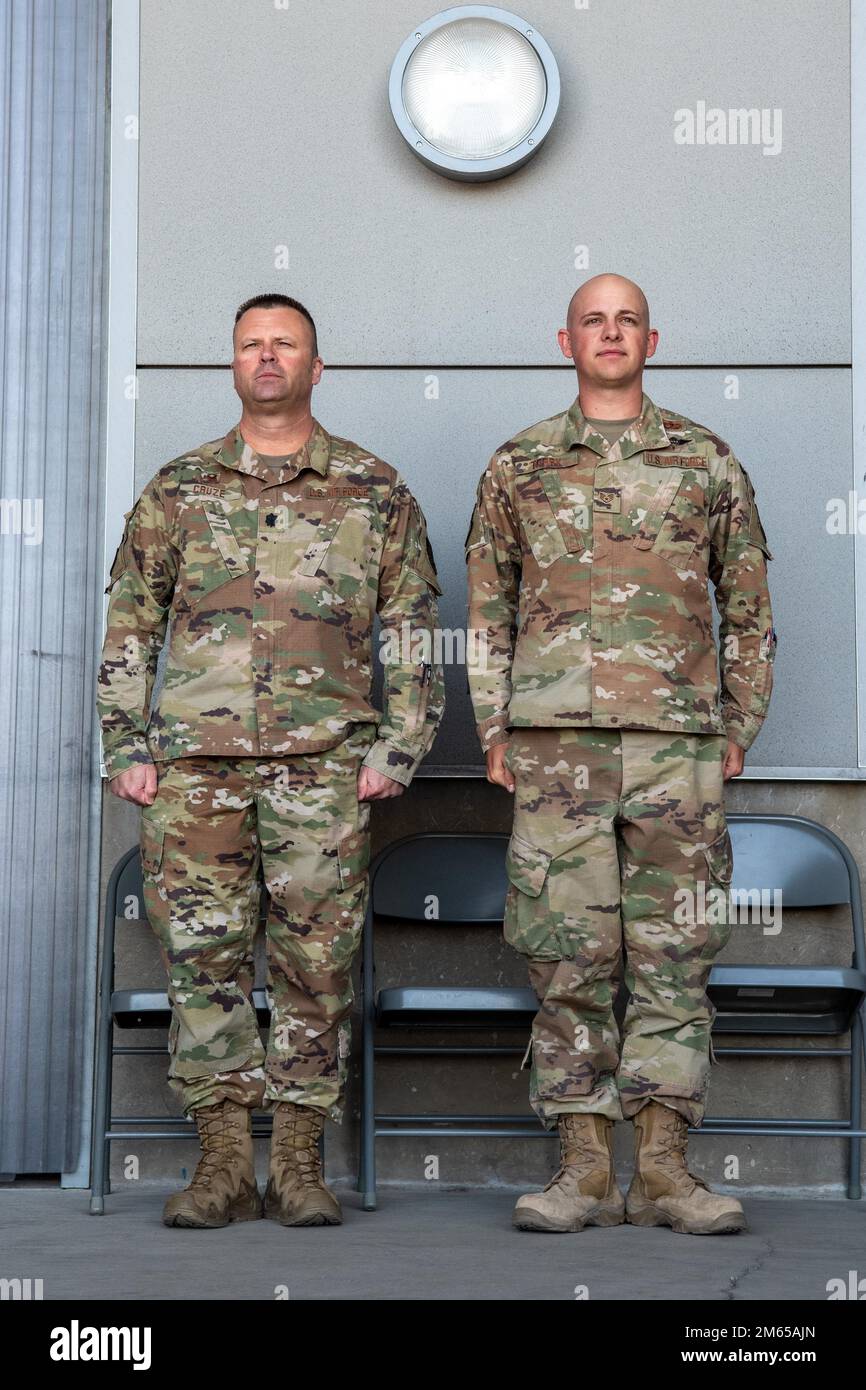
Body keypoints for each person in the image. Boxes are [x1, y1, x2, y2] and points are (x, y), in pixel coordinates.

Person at [98, 292, 444, 1228]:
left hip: (324, 768)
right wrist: (127, 745)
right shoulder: (180, 489)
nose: (266, 357)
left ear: (315, 367)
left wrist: (398, 748)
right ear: (232, 364)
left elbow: (413, 627)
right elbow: (131, 614)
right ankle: (219, 1165)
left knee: (315, 963)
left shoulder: (373, 491)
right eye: (251, 343)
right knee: (202, 959)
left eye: (284, 344)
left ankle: (296, 1163)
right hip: (193, 770)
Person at [465, 273, 776, 1235]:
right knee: (568, 957)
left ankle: (669, 1171)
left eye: (627, 320)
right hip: (556, 752)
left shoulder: (705, 461)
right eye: (593, 321)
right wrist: (492, 728)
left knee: (675, 955)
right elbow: (485, 611)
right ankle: (584, 1170)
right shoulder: (520, 465)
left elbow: (750, 606)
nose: (610, 333)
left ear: (653, 339)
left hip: (678, 752)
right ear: (566, 341)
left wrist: (737, 726)